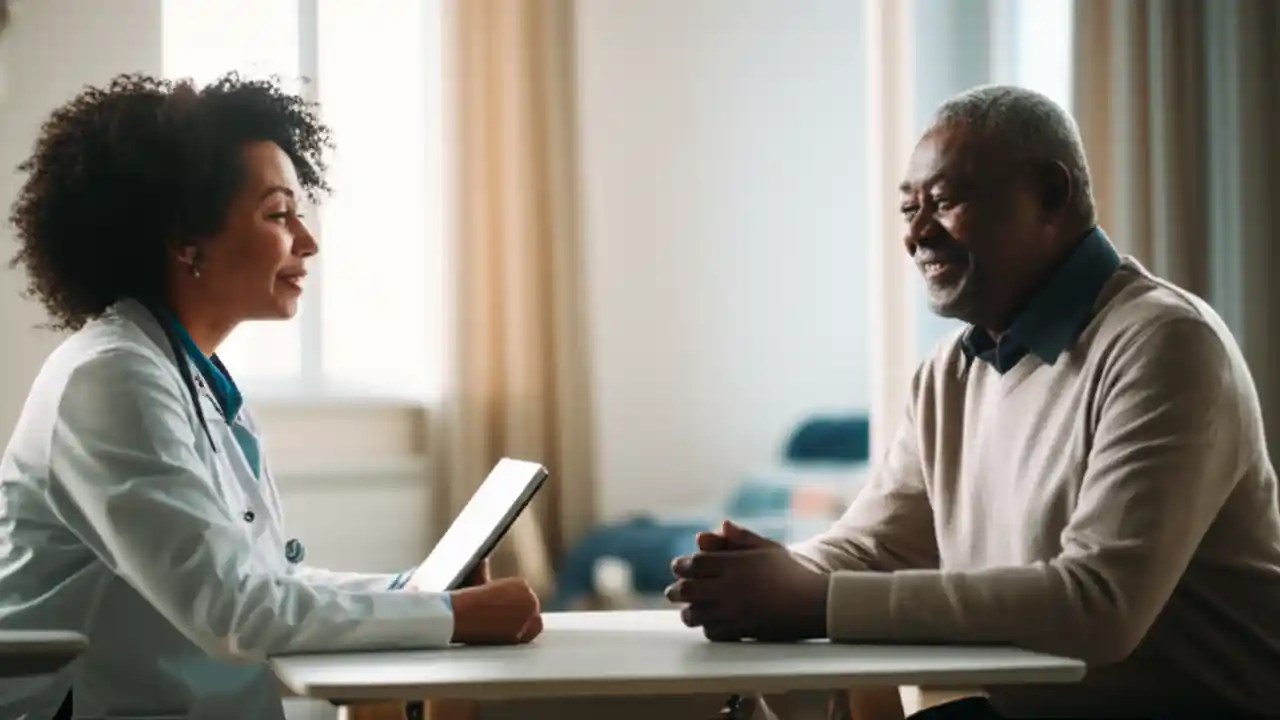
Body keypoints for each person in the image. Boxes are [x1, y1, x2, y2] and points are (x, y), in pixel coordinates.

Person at [668, 85, 1280, 717]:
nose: (917, 234)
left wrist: (812, 601)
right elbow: (873, 548)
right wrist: (749, 580)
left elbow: (1100, 604)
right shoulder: (950, 373)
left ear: (1051, 195)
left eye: (944, 201)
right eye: (909, 209)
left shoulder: (1164, 343)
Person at [0, 73, 542, 719]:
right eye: (278, 215)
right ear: (185, 239)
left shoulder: (188, 373)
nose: (307, 241)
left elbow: (264, 583)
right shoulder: (111, 380)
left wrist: (416, 592)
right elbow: (235, 610)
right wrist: (449, 615)